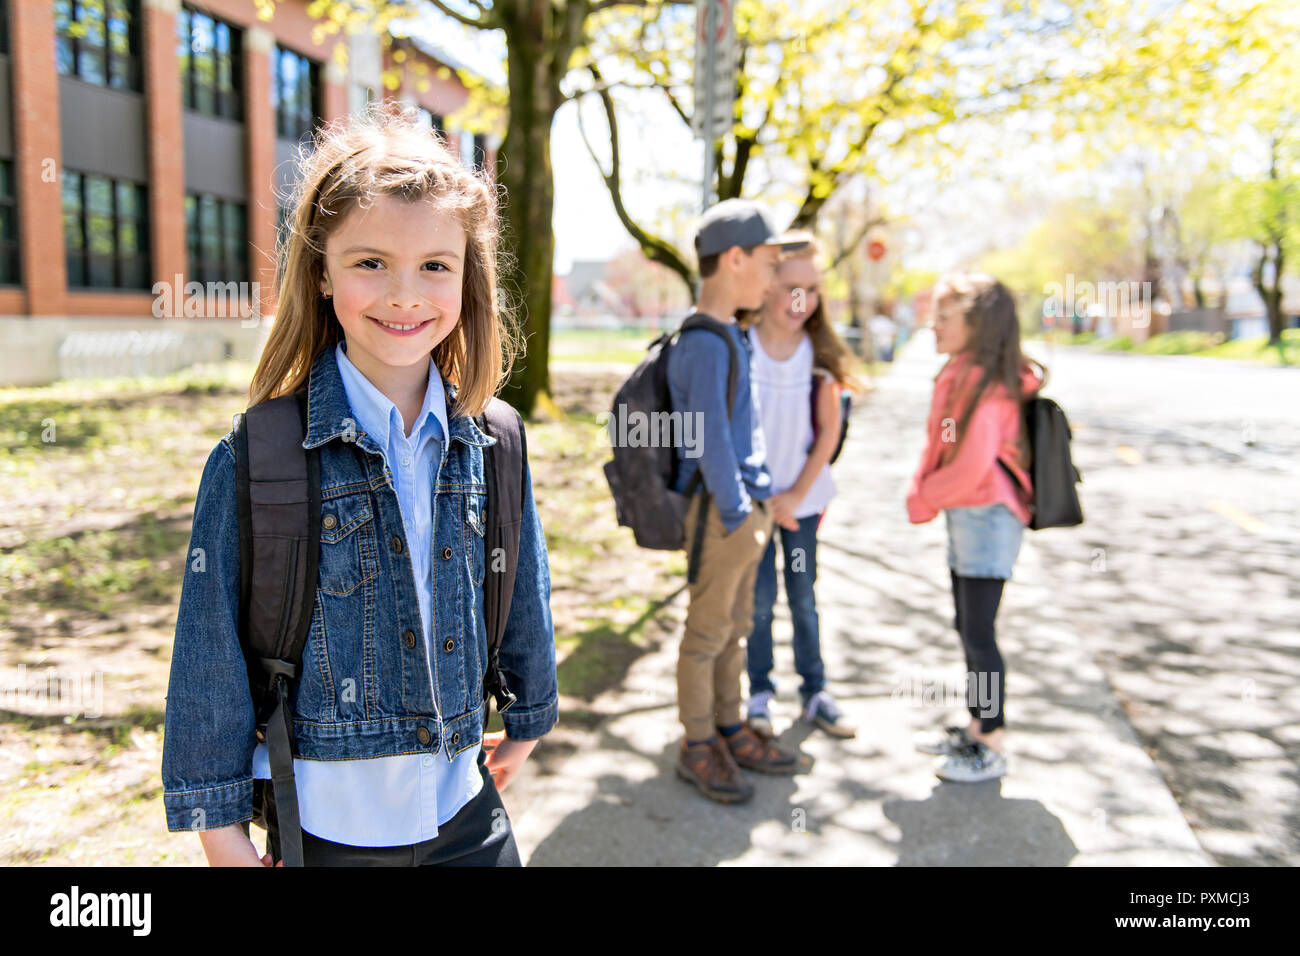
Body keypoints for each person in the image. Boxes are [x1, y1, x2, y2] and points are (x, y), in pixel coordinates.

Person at [160, 103, 557, 866]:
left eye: (435, 266)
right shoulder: (258, 455)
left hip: (466, 811)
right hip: (329, 831)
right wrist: (220, 832)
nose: (405, 296)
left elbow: (522, 588)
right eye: (370, 262)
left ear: (466, 274)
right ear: (321, 271)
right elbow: (206, 652)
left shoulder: (495, 437)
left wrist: (531, 717)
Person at [667, 199, 810, 803]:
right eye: (770, 262)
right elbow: (709, 440)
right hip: (724, 511)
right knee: (707, 633)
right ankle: (697, 743)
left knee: (735, 631)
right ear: (734, 259)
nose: (775, 277)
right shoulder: (704, 343)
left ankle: (728, 728)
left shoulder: (730, 335)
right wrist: (736, 511)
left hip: (743, 507)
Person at [905, 273, 1046, 783]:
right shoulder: (965, 372)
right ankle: (975, 725)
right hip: (970, 515)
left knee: (980, 634)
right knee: (969, 628)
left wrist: (924, 496)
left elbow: (970, 466)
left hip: (986, 517)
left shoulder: (988, 385)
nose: (934, 326)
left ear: (977, 324)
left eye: (945, 318)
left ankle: (991, 740)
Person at [743, 236, 865, 740]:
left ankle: (815, 690)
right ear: (767, 285)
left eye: (812, 290)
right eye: (791, 287)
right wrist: (765, 496)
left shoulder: (819, 356)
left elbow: (828, 434)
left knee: (802, 596)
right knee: (758, 600)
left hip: (804, 502)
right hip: (754, 503)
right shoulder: (740, 344)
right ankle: (759, 693)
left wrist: (794, 497)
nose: (802, 301)